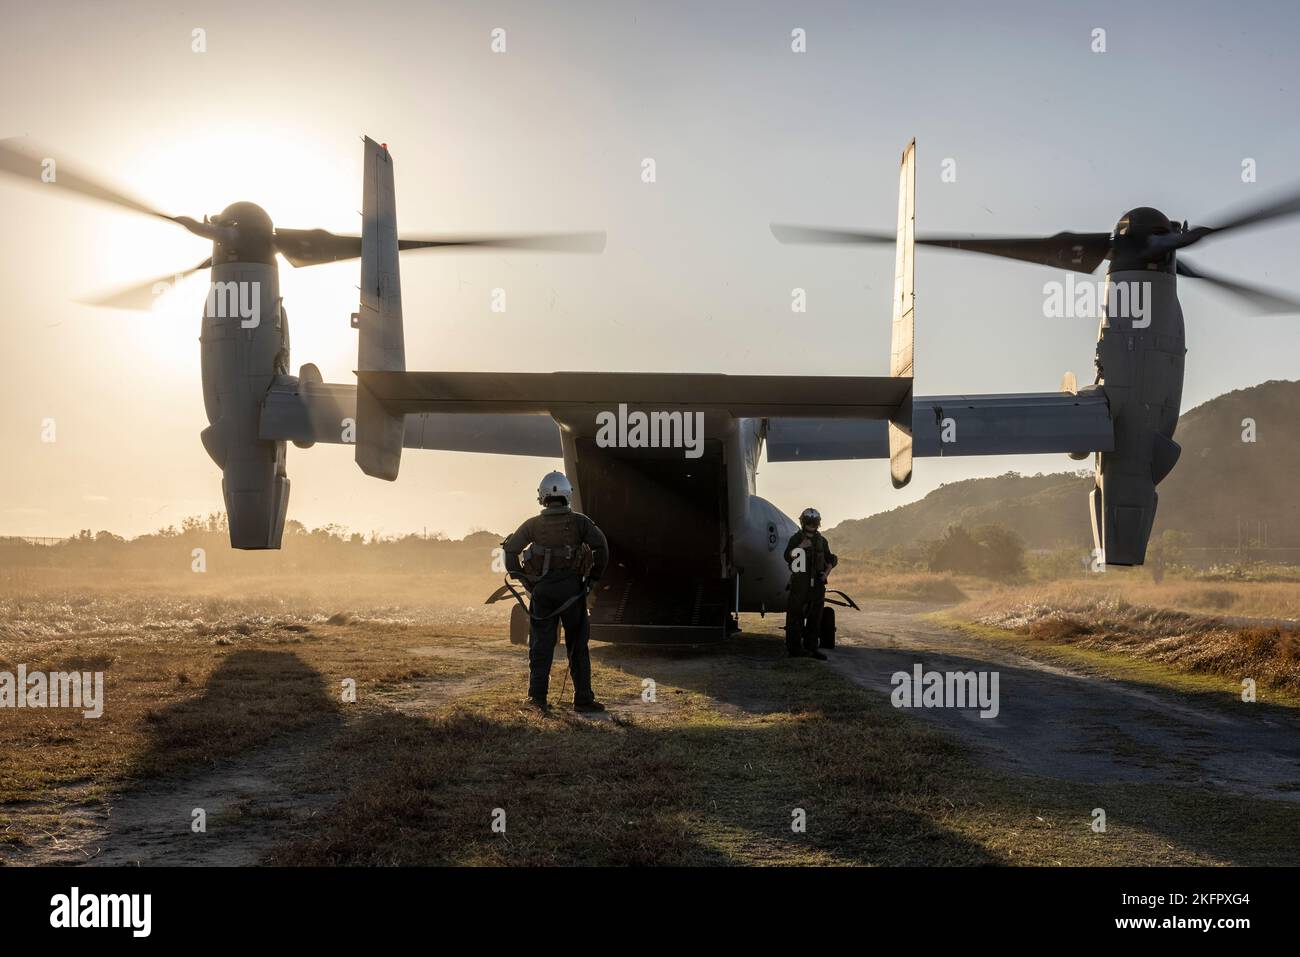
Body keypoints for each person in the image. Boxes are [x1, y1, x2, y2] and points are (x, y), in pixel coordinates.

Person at [502, 471, 610, 712]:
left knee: (540, 646)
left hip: (542, 594)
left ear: (542, 497)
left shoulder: (532, 524)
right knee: (577, 646)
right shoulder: (581, 522)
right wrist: (592, 580)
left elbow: (510, 551)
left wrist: (527, 583)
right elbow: (601, 548)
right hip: (573, 592)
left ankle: (537, 698)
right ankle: (583, 699)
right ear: (567, 495)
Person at [783, 507, 838, 660]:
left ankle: (812, 648)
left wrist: (826, 572)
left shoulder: (822, 541)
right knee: (796, 616)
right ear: (803, 522)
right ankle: (794, 649)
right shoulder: (796, 539)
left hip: (818, 585)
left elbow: (830, 559)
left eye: (814, 522)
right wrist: (801, 547)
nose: (811, 525)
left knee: (815, 617)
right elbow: (788, 556)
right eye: (809, 522)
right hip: (800, 584)